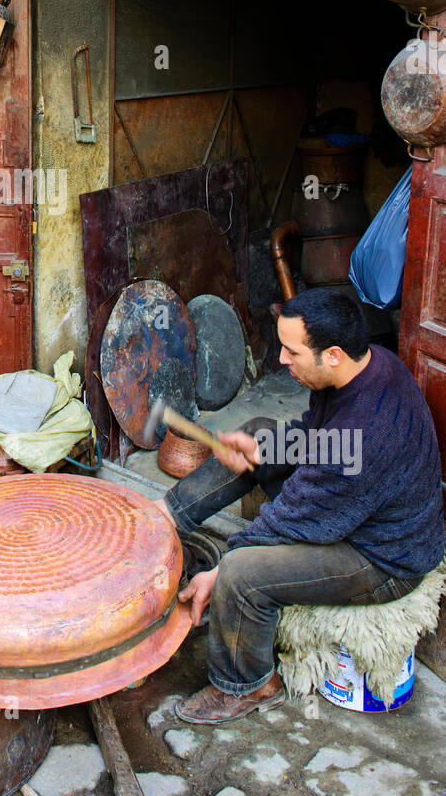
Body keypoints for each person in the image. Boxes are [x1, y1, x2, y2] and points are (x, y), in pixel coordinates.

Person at [155, 287, 445, 724]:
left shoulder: (364, 437)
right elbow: (317, 433)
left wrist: (225, 563)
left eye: (291, 352)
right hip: (351, 504)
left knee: (242, 574)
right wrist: (260, 447)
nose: (282, 361)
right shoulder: (366, 366)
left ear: (331, 354)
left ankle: (247, 685)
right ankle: (162, 516)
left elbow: (296, 520)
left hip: (383, 556)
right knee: (257, 435)